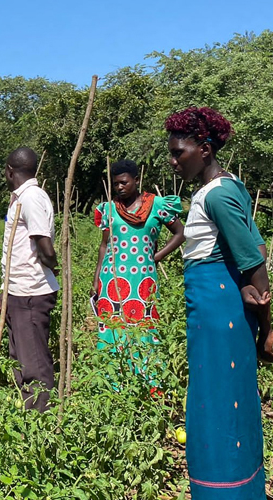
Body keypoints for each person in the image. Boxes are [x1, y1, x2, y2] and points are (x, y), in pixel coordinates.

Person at [166, 107, 273, 499]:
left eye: (180, 152)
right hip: (218, 314)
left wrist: (267, 328)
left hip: (219, 317)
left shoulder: (218, 194)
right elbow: (255, 244)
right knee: (227, 402)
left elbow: (253, 259)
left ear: (205, 150)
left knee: (217, 406)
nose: (173, 160)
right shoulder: (228, 187)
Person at [92, 159, 185, 389]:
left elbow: (181, 233)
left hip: (143, 281)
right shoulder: (109, 209)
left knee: (144, 330)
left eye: (124, 182)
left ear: (136, 180)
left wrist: (157, 256)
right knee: (112, 332)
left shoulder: (157, 205)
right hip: (111, 281)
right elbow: (104, 245)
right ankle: (113, 388)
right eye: (115, 184)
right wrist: (97, 278)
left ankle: (148, 386)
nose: (120, 187)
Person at [0, 147, 59, 412]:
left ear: (10, 170)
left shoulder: (31, 198)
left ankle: (41, 418)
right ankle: (28, 411)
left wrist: (50, 266)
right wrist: (4, 291)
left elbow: (46, 248)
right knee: (19, 357)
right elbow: (18, 249)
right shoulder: (22, 196)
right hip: (18, 290)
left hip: (31, 292)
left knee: (33, 363)